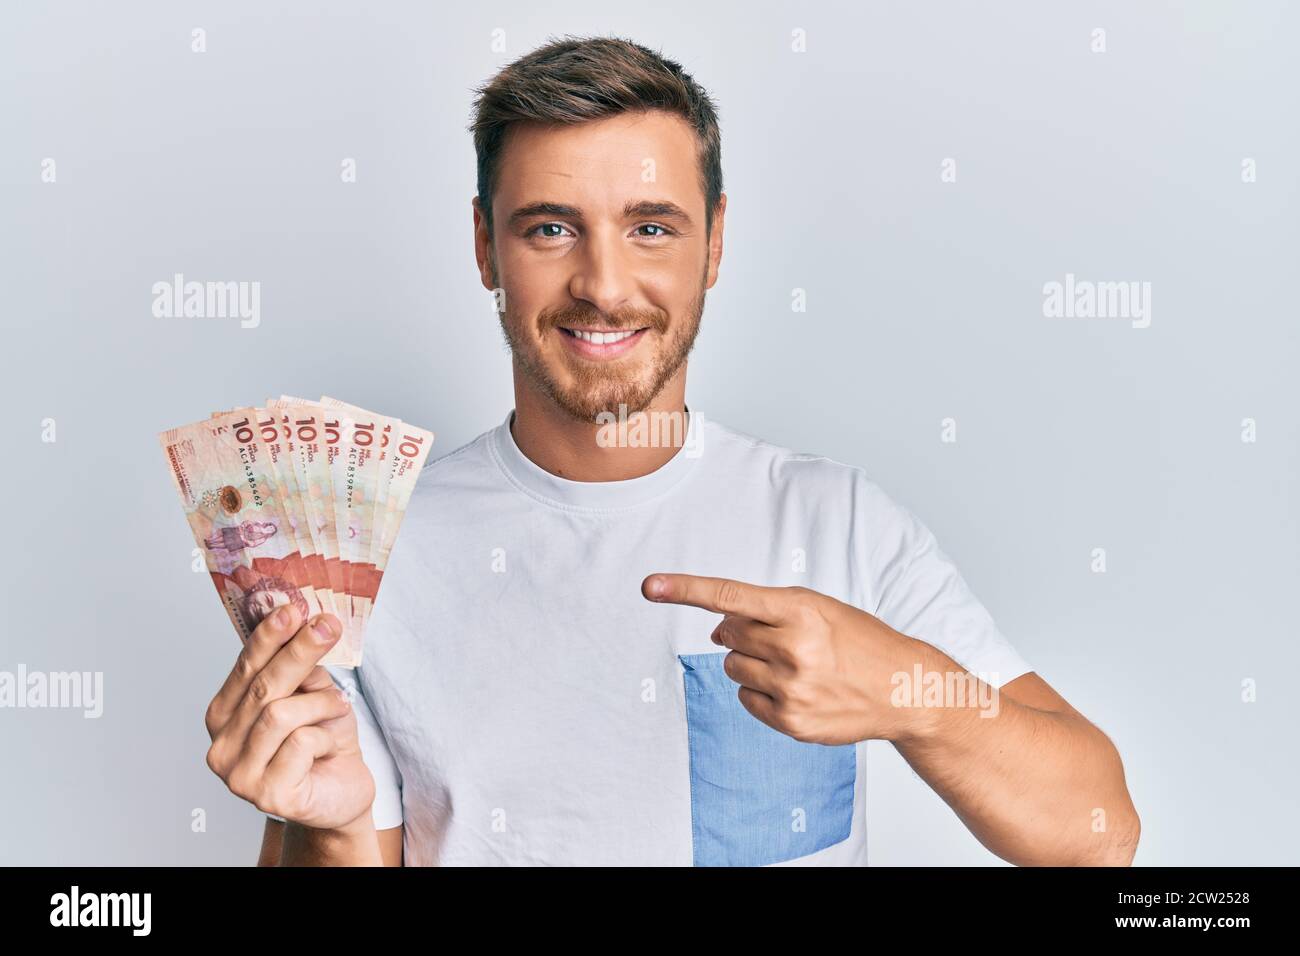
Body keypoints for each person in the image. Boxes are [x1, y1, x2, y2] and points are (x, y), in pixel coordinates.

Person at [203, 36, 1140, 867]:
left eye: (651, 228)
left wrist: (910, 691)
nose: (604, 286)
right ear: (485, 249)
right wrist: (321, 832)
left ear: (716, 243)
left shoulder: (837, 522)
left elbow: (1100, 835)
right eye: (549, 229)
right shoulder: (368, 559)